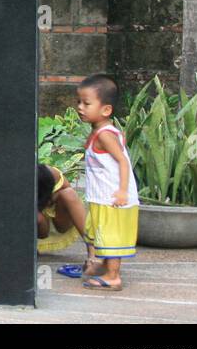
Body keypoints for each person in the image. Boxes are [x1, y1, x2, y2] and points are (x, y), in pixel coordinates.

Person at [76, 73, 139, 290]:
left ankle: (113, 276)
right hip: (100, 196)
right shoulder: (98, 131)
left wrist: (122, 191)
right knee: (95, 232)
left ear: (106, 110)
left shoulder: (105, 135)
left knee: (110, 236)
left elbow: (123, 161)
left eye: (86, 103)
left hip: (112, 197)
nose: (80, 107)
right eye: (79, 102)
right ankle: (99, 264)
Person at [37, 163, 92, 264]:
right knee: (37, 218)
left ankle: (93, 253)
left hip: (57, 223)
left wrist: (50, 199)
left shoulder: (52, 174)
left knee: (69, 194)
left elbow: (70, 203)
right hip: (37, 225)